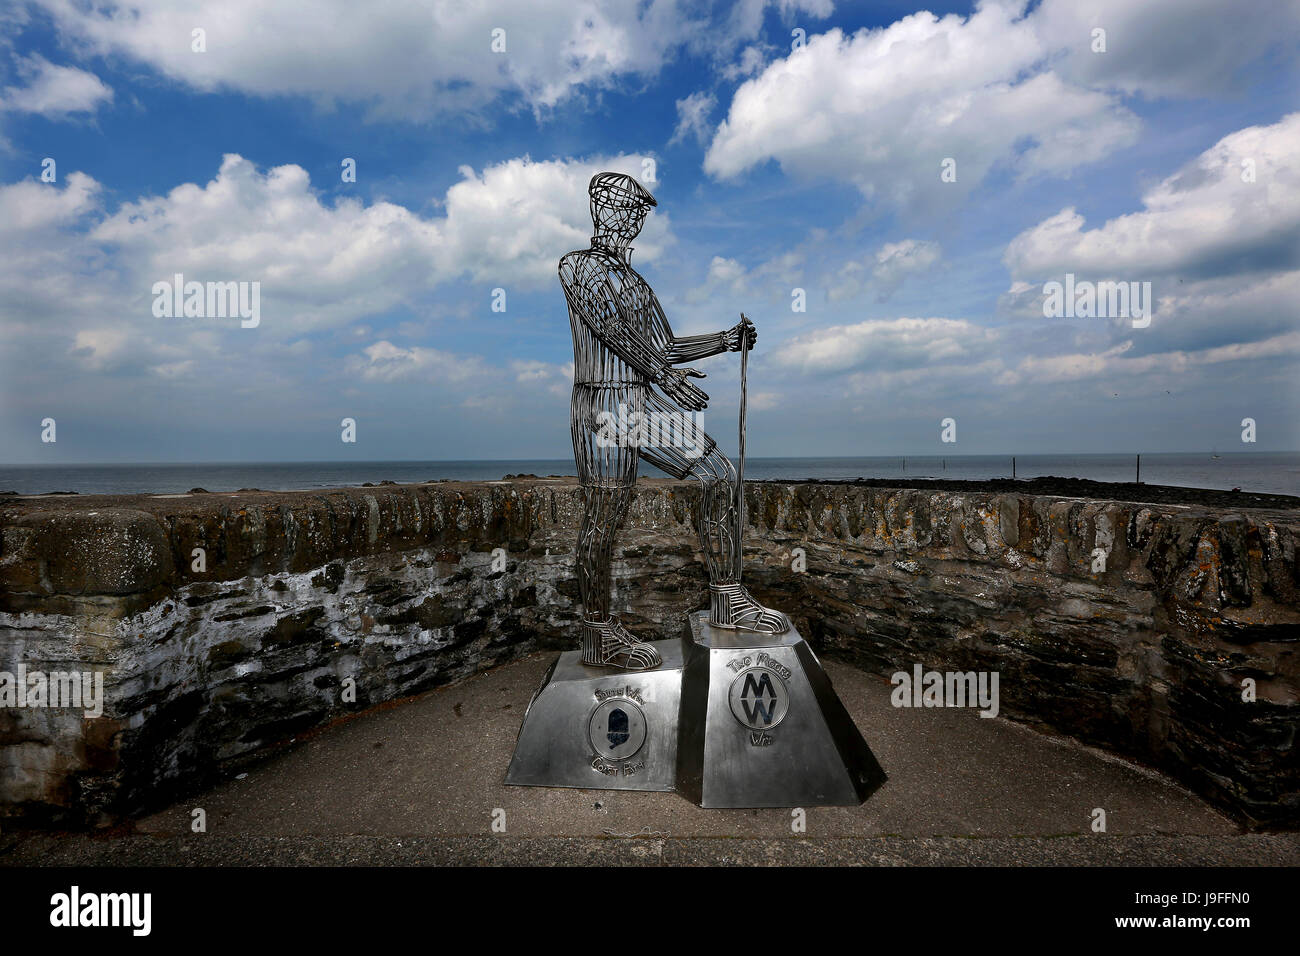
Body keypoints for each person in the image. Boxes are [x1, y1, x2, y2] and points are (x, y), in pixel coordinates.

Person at [559, 172, 790, 671]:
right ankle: (598, 630)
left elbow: (662, 346)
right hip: (604, 409)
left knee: (719, 475)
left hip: (638, 407)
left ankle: (728, 599)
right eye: (625, 207)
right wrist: (664, 376)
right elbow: (610, 327)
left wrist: (725, 340)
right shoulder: (577, 266)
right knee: (605, 517)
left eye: (638, 210)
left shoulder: (637, 282)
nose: (633, 217)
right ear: (602, 209)